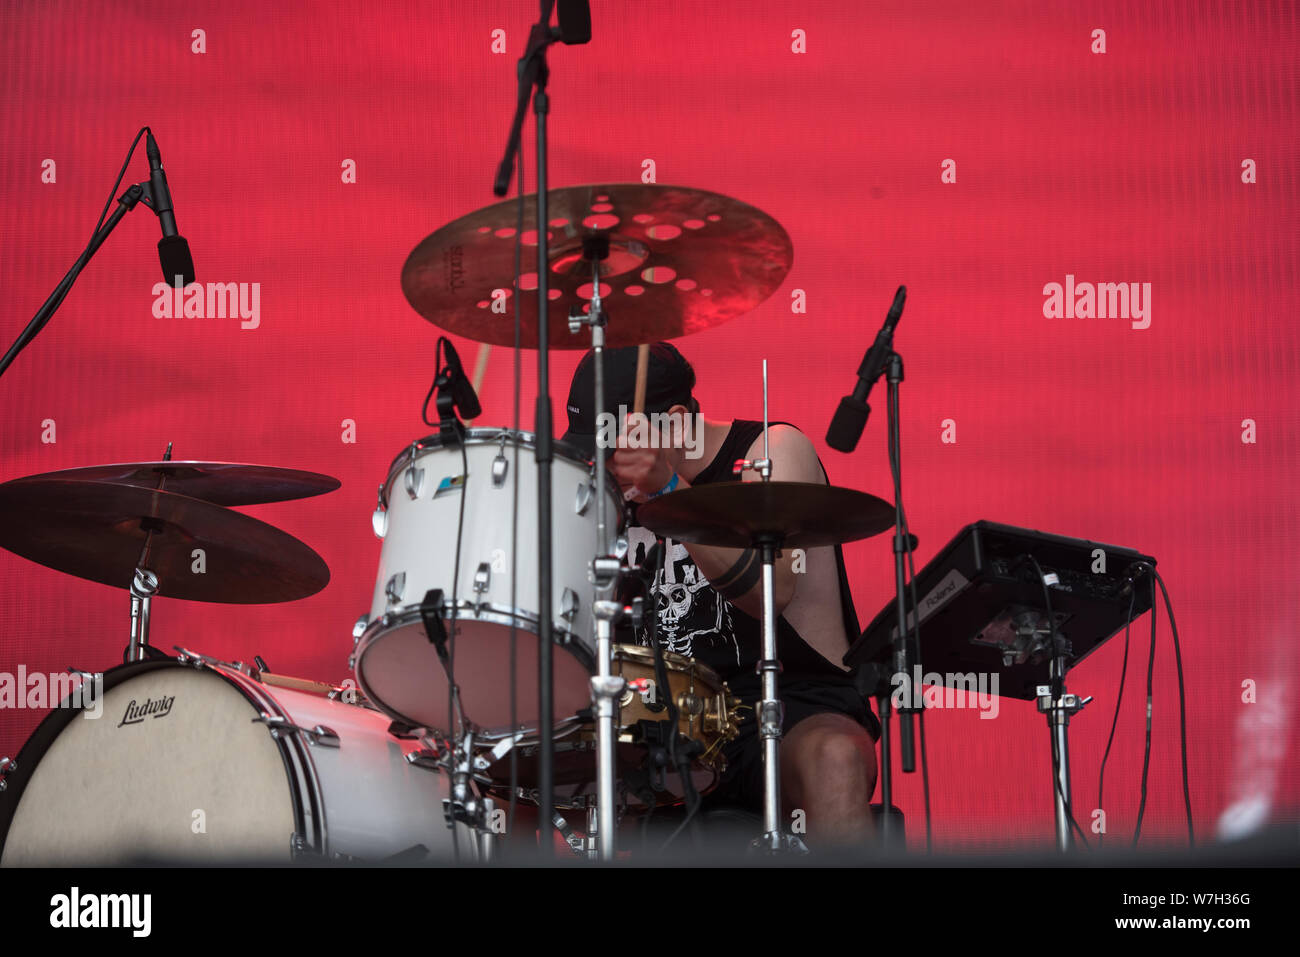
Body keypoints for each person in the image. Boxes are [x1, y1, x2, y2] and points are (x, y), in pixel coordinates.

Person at [560, 342, 881, 846]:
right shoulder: (606, 490)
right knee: (523, 769)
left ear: (675, 421)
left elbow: (767, 592)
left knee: (834, 760)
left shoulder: (769, 451)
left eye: (616, 447)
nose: (608, 464)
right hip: (659, 716)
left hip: (784, 701)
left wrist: (668, 491)